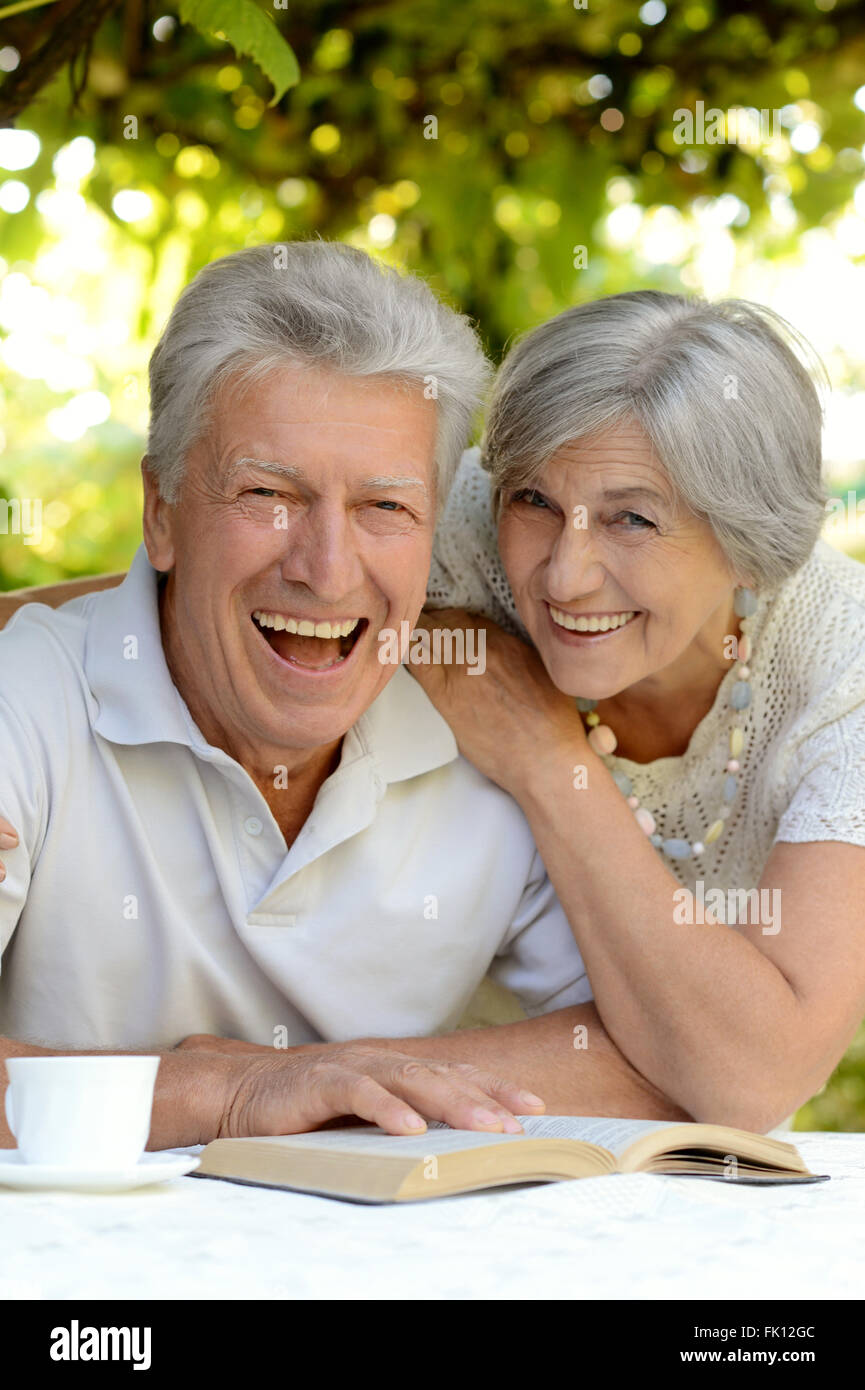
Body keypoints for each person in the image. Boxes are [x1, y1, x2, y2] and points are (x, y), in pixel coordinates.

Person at [0, 244, 688, 1154]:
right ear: (161, 512)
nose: (325, 573)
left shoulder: (491, 737)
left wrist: (339, 1076)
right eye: (267, 493)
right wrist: (229, 1092)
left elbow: (664, 1065)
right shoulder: (24, 702)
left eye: (383, 508)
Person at [418, 291, 865, 1134]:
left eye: (632, 518)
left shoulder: (845, 667)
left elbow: (754, 1076)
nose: (563, 576)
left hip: (660, 1179)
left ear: (745, 539)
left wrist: (553, 766)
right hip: (405, 1141)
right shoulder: (462, 537)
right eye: (534, 501)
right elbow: (187, 611)